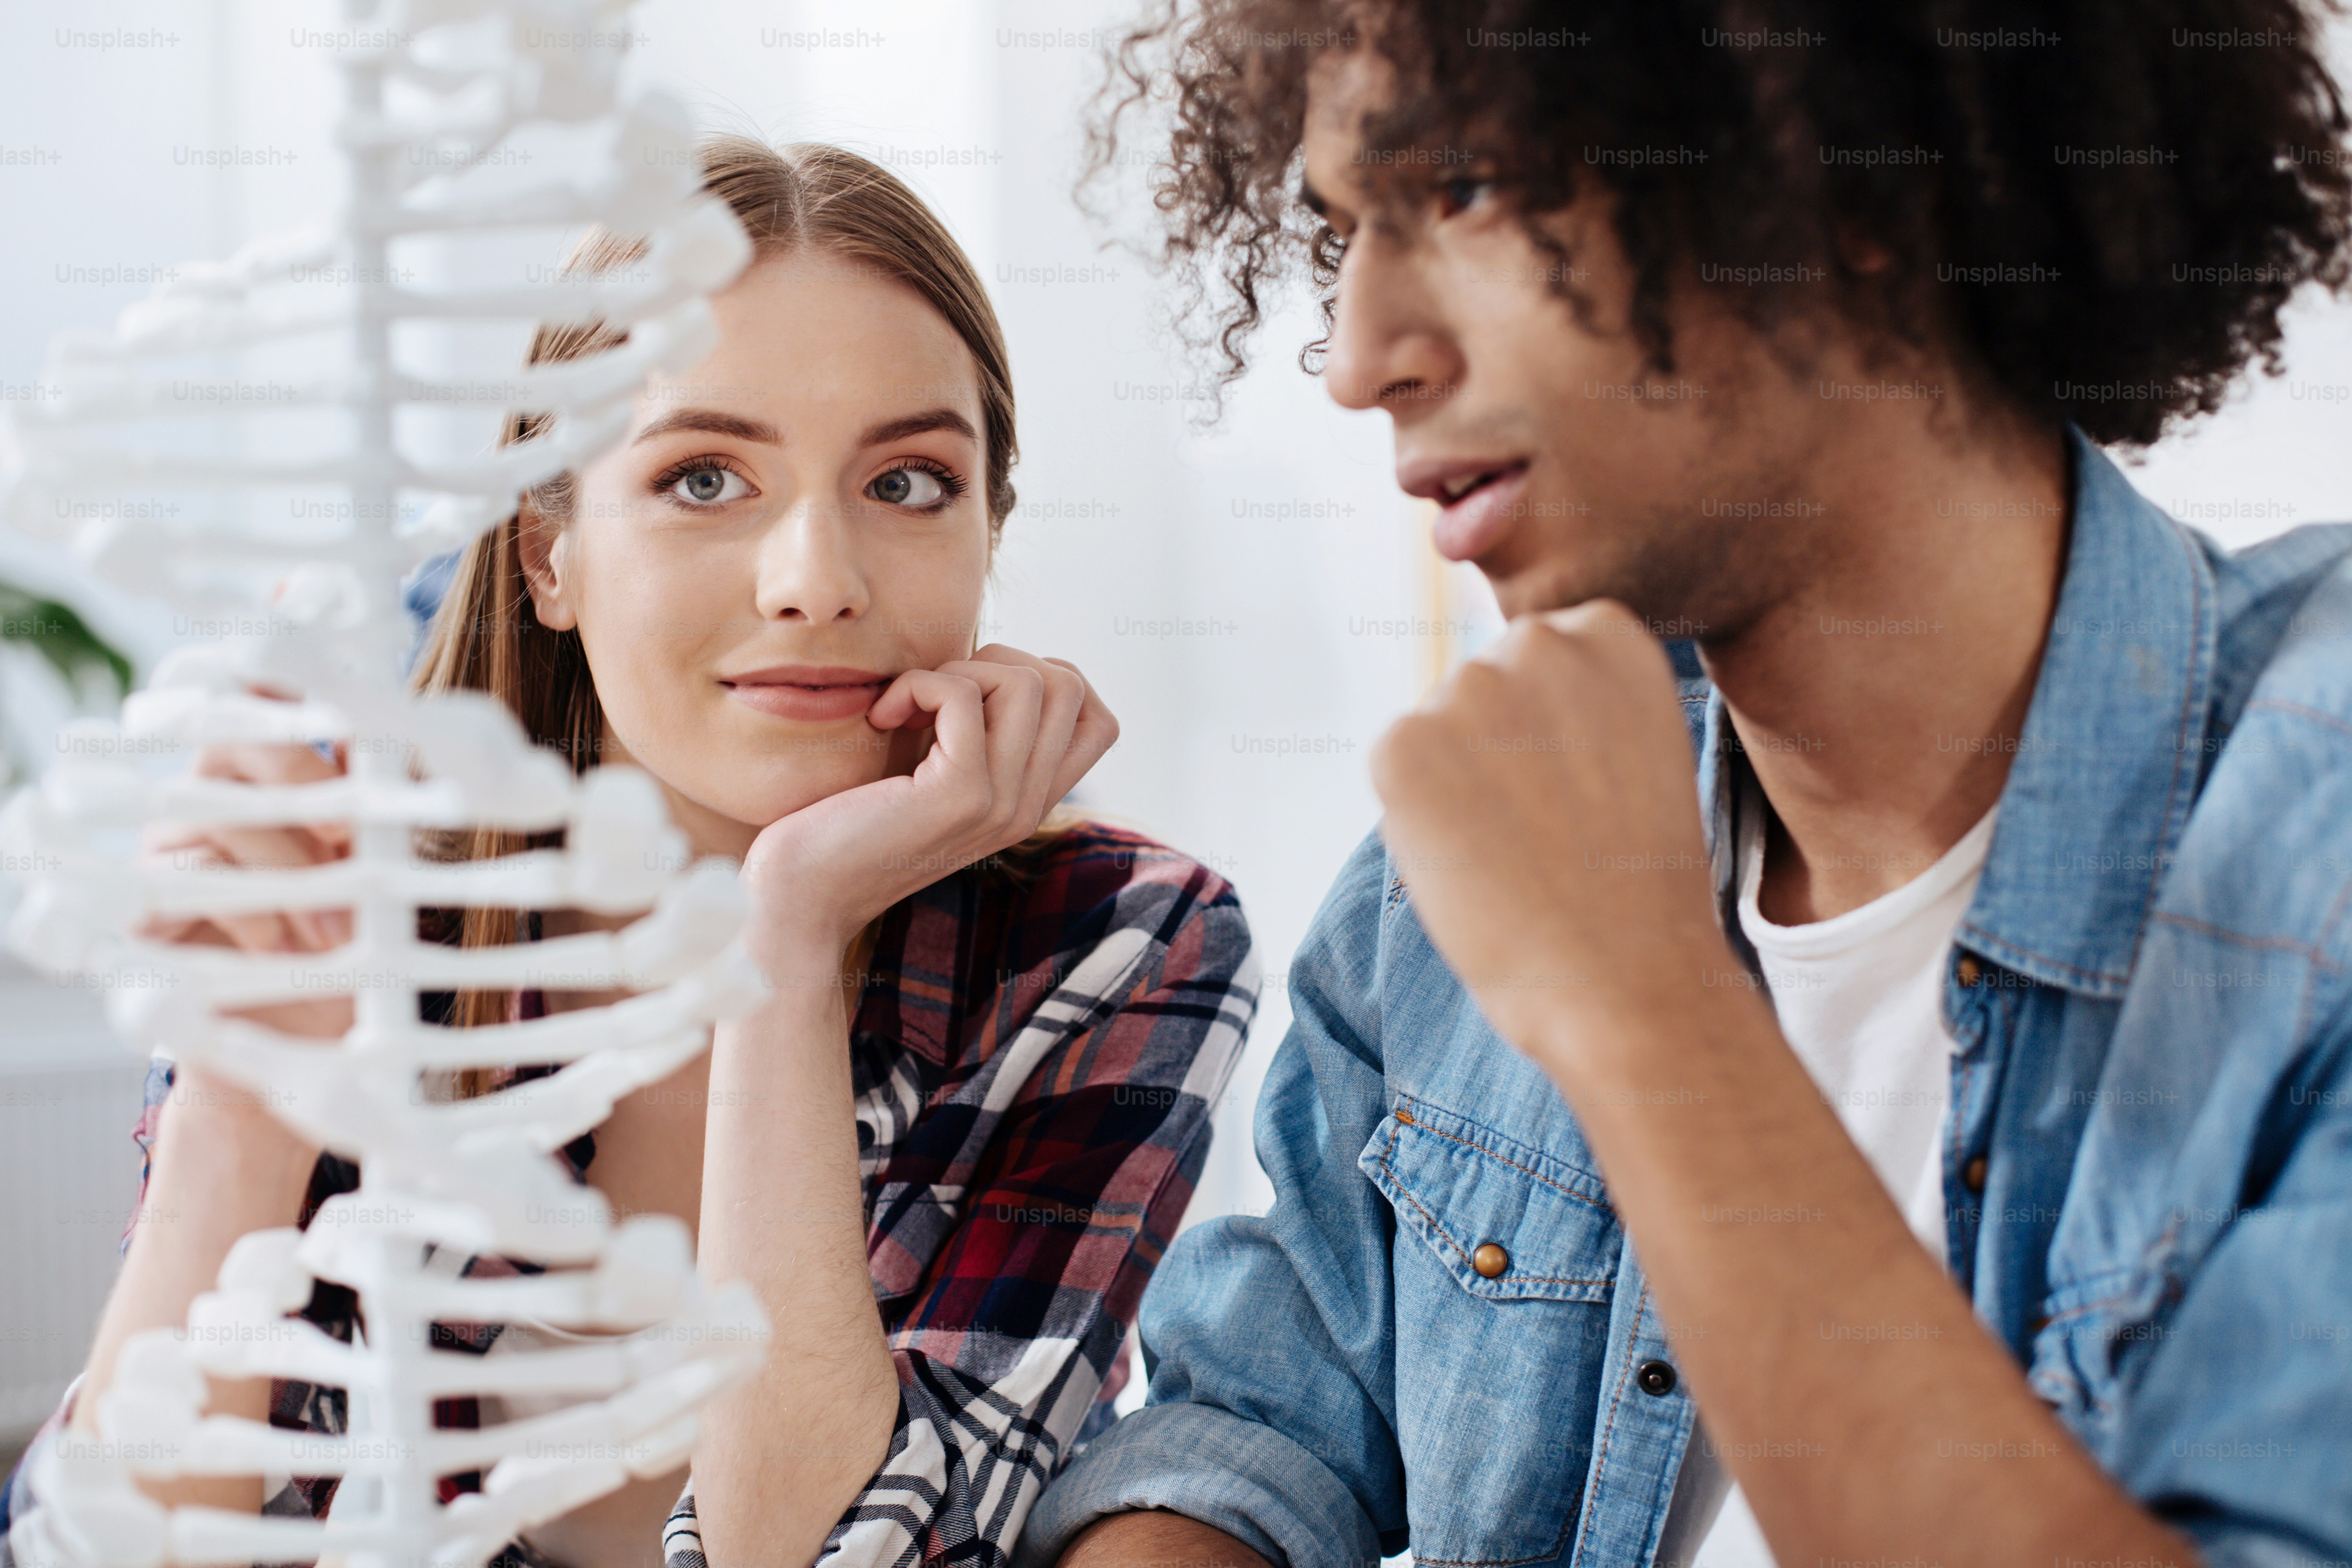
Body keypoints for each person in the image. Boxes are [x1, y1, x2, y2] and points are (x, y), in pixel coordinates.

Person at [1020, 4, 2352, 1567]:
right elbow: (1250, 1435)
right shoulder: (1468, 858)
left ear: (1838, 181)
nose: (1365, 360)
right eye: (1344, 232)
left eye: (1460, 193)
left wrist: (1644, 1003)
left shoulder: (2312, 824)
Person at [0, 139, 1258, 1568]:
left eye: (908, 484)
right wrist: (240, 1109)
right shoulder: (364, 894)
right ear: (550, 555)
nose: (818, 583)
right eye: (705, 478)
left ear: (987, 534)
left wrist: (783, 940)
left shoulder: (1128, 942)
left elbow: (829, 1552)